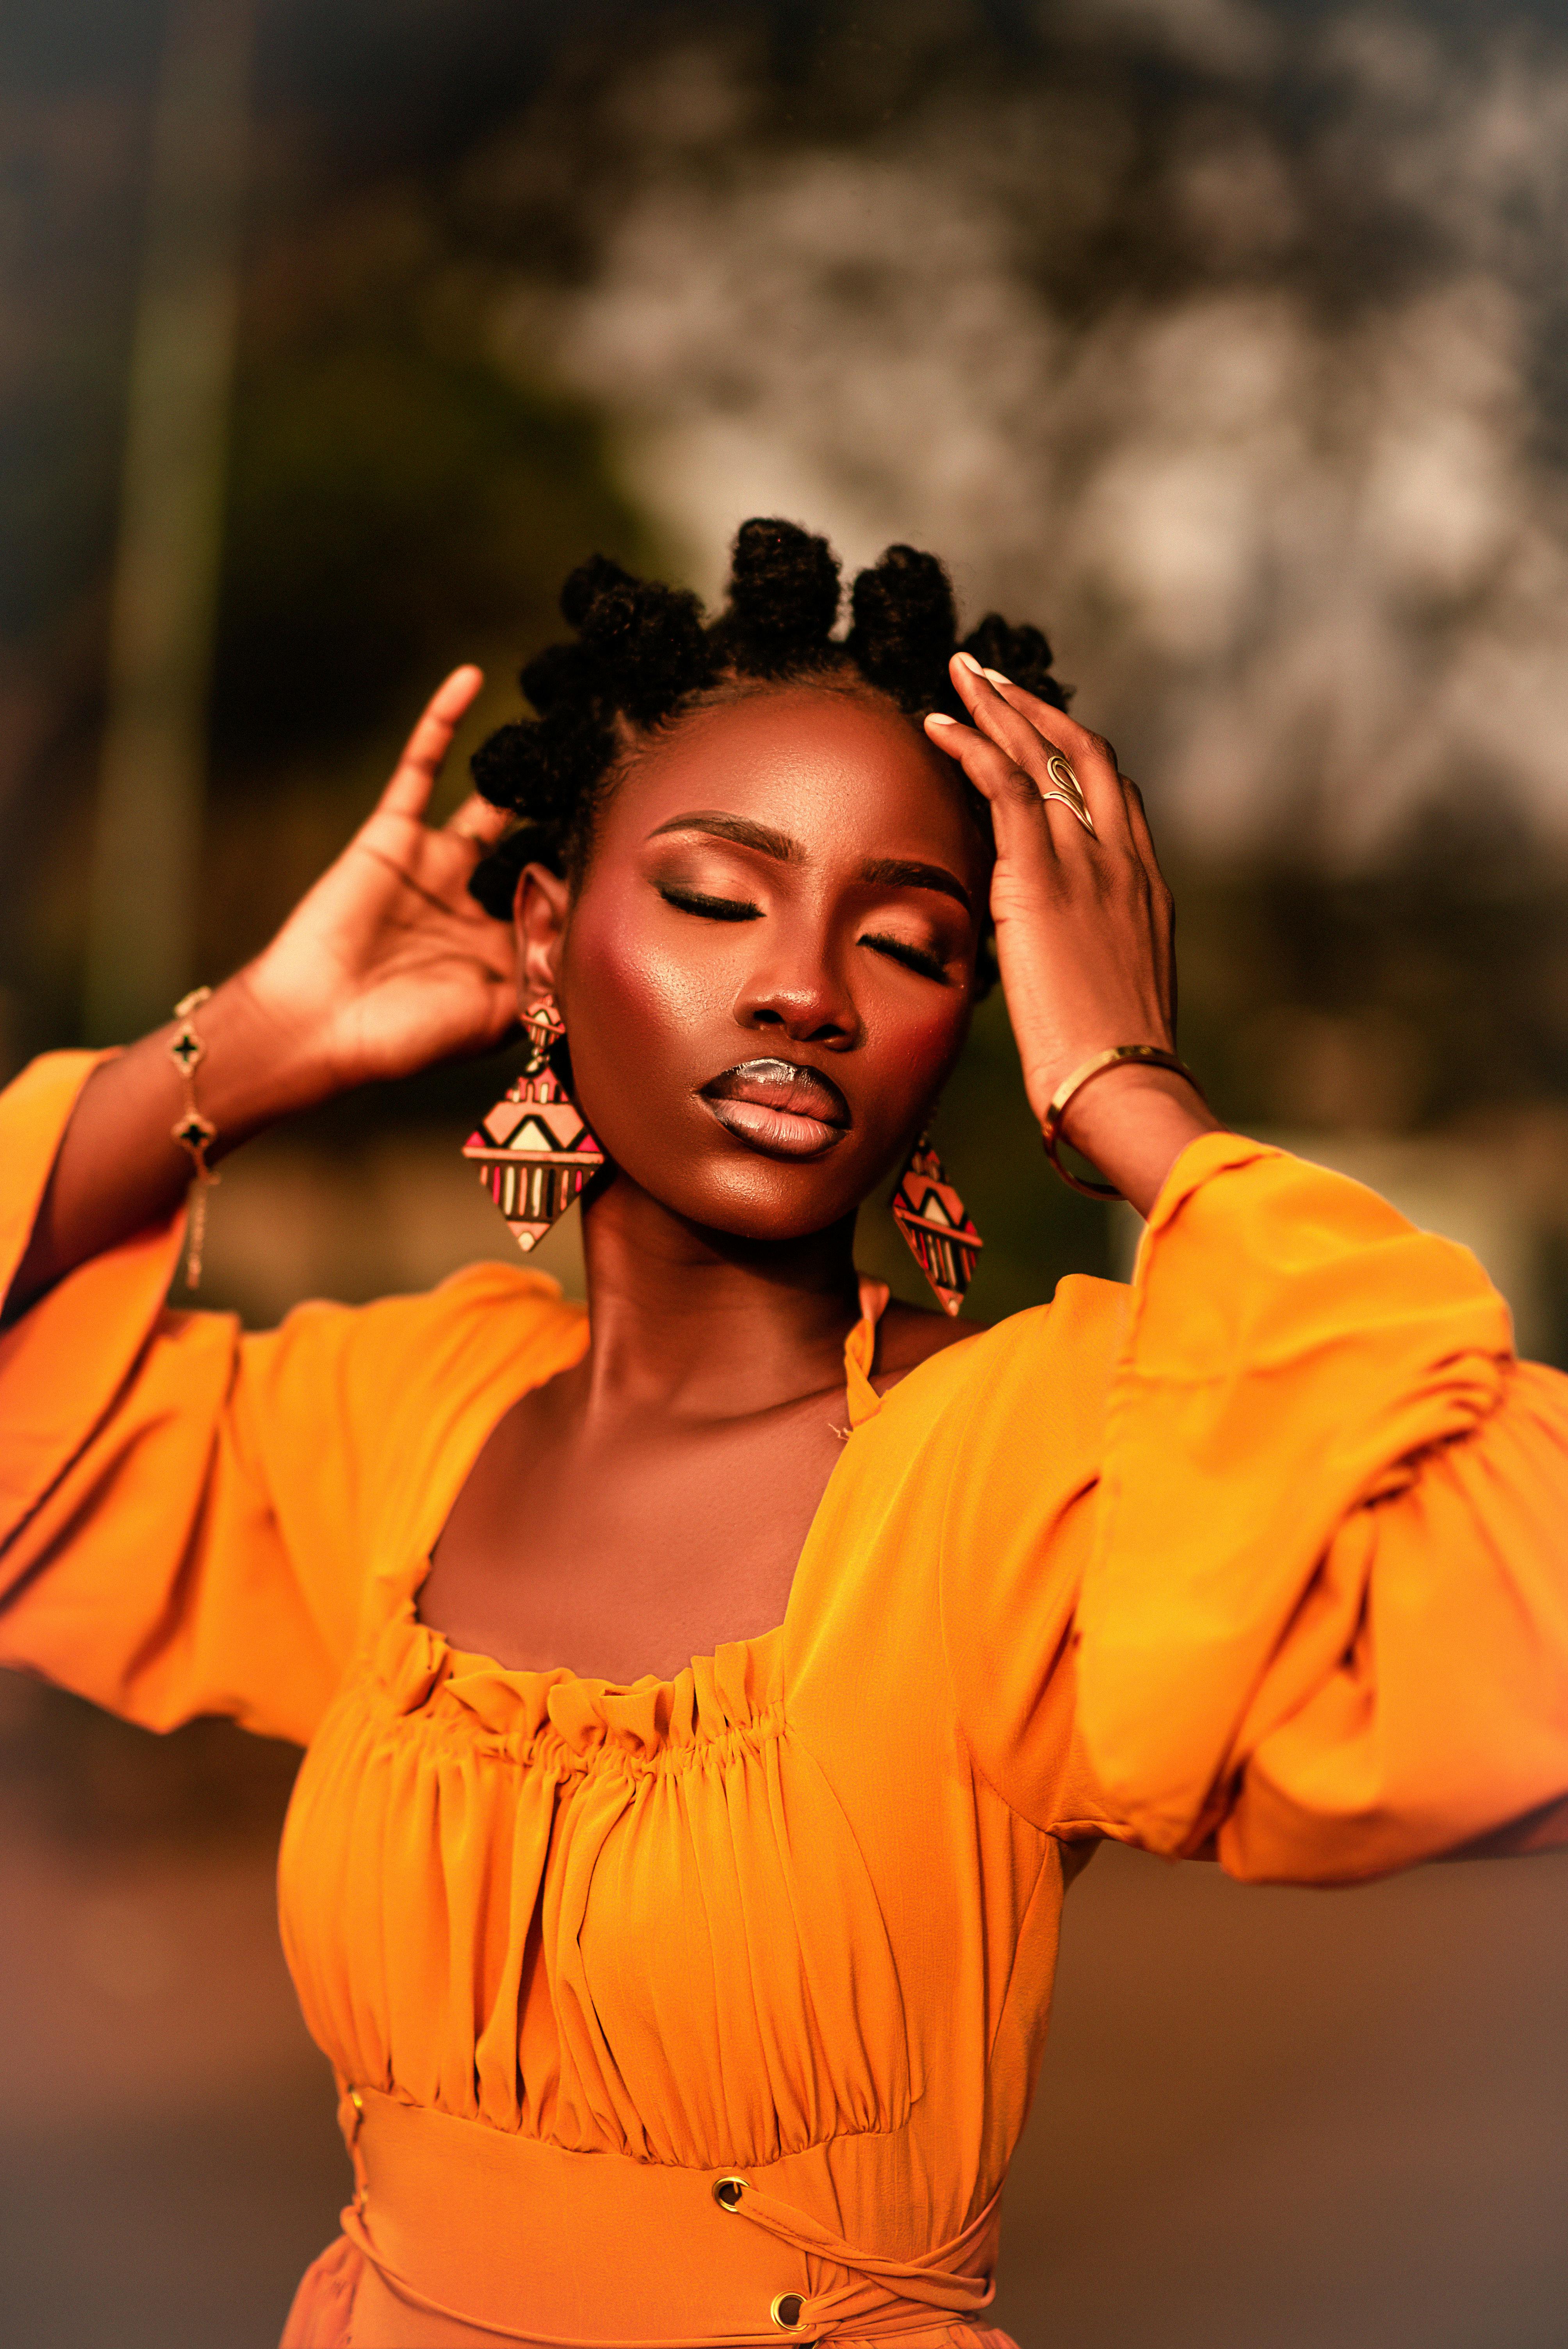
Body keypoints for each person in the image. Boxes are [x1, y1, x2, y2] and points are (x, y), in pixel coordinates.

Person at [2, 519, 1564, 2349]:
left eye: (905, 942)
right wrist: (250, 1045)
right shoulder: (405, 1421)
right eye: (714, 898)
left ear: (973, 1013)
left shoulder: (1013, 1465)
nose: (804, 989)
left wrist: (1138, 1101)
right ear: (543, 937)